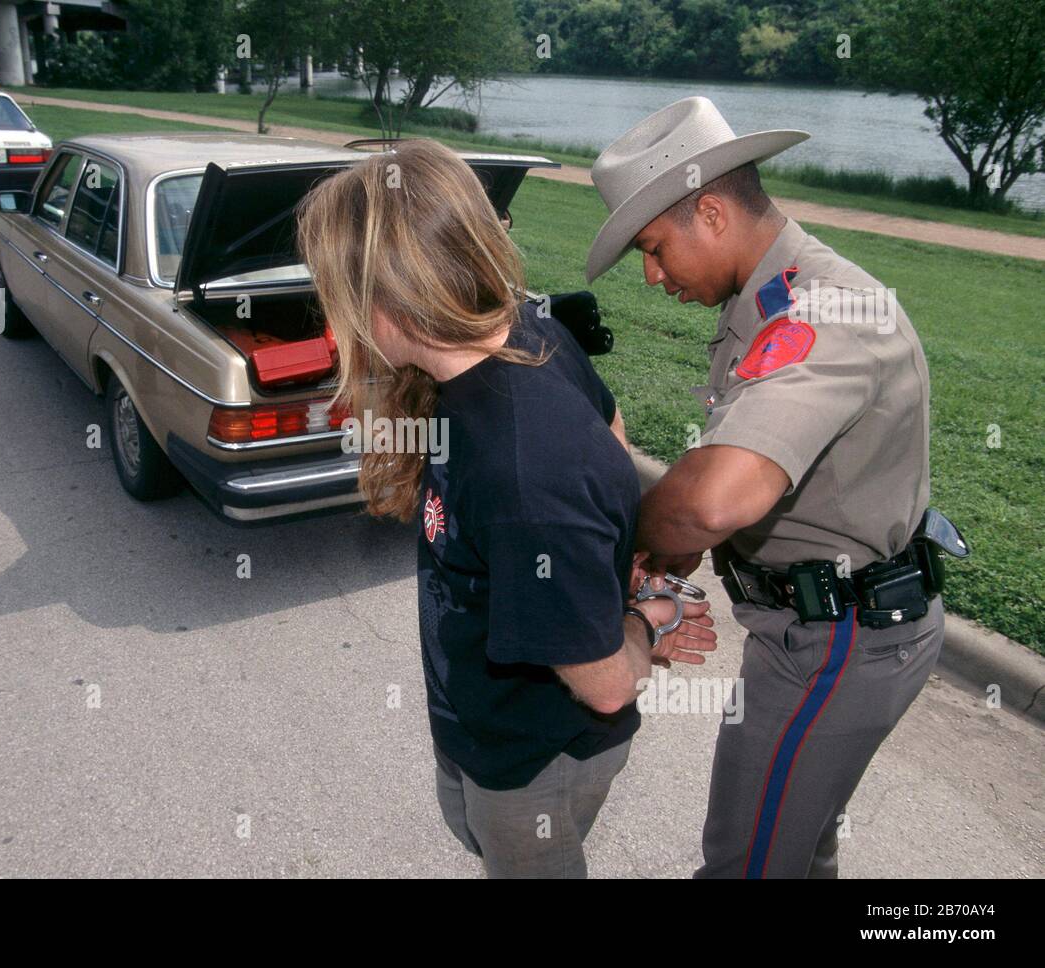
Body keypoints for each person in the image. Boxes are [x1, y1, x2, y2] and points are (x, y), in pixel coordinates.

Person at [297, 139, 716, 878]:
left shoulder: (524, 474)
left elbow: (611, 683)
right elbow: (612, 439)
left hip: (537, 755)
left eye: (335, 291)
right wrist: (609, 579)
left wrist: (646, 620)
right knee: (472, 831)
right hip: (477, 717)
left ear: (387, 300)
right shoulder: (528, 332)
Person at [585, 97, 959, 877]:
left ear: (711, 213)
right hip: (821, 625)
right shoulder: (771, 298)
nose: (652, 277)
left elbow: (715, 497)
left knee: (747, 863)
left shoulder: (826, 311)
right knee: (800, 847)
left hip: (835, 642)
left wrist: (640, 543)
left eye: (654, 249)